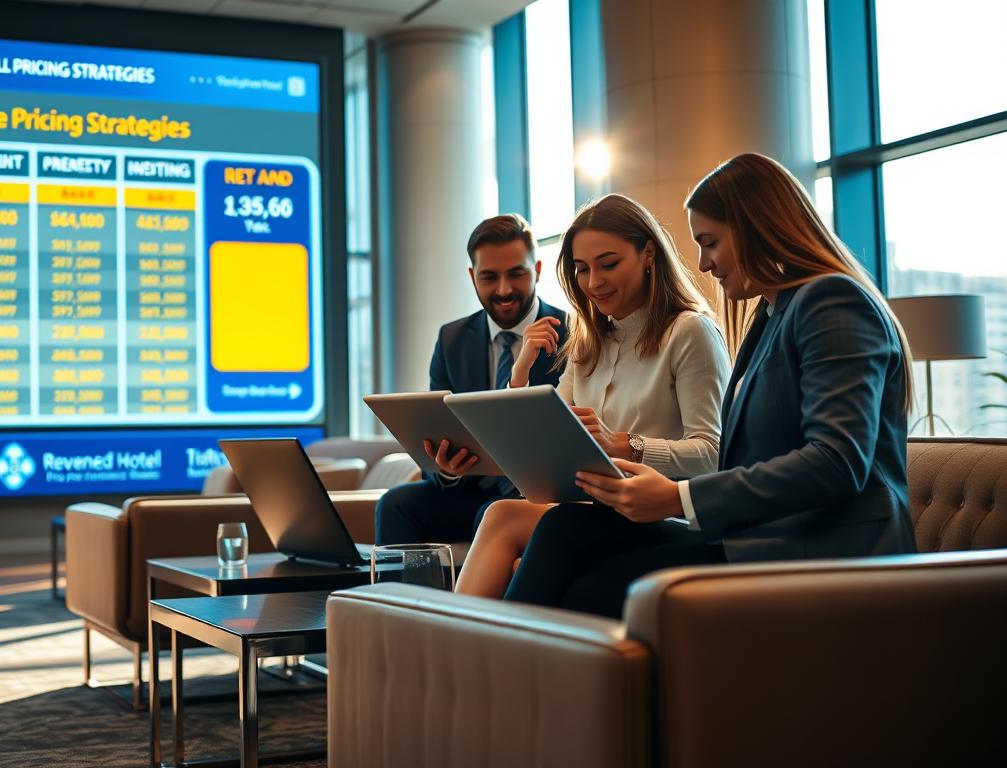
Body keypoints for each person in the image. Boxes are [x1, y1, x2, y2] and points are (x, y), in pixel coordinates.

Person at [502, 153, 918, 618]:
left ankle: (489, 676)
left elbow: (838, 461)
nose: (704, 263)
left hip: (825, 547)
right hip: (763, 537)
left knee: (588, 590)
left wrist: (678, 496)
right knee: (566, 530)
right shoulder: (770, 315)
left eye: (711, 242)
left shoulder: (832, 302)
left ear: (759, 227)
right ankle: (491, 672)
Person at [455, 194, 731, 598]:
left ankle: (478, 656)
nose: (593, 282)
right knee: (499, 513)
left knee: (552, 527)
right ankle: (458, 650)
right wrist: (519, 375)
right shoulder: (587, 340)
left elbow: (714, 453)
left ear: (648, 254)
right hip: (597, 507)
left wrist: (626, 446)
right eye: (582, 269)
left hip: (661, 512)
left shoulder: (689, 332)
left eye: (609, 264)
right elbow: (545, 438)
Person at [374, 214, 569, 546]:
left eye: (516, 274)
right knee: (395, 505)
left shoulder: (571, 334)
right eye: (489, 277)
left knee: (493, 515)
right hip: (470, 491)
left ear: (536, 270)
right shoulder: (452, 339)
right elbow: (434, 434)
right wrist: (446, 468)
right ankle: (401, 599)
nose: (504, 289)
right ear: (472, 276)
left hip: (537, 497)